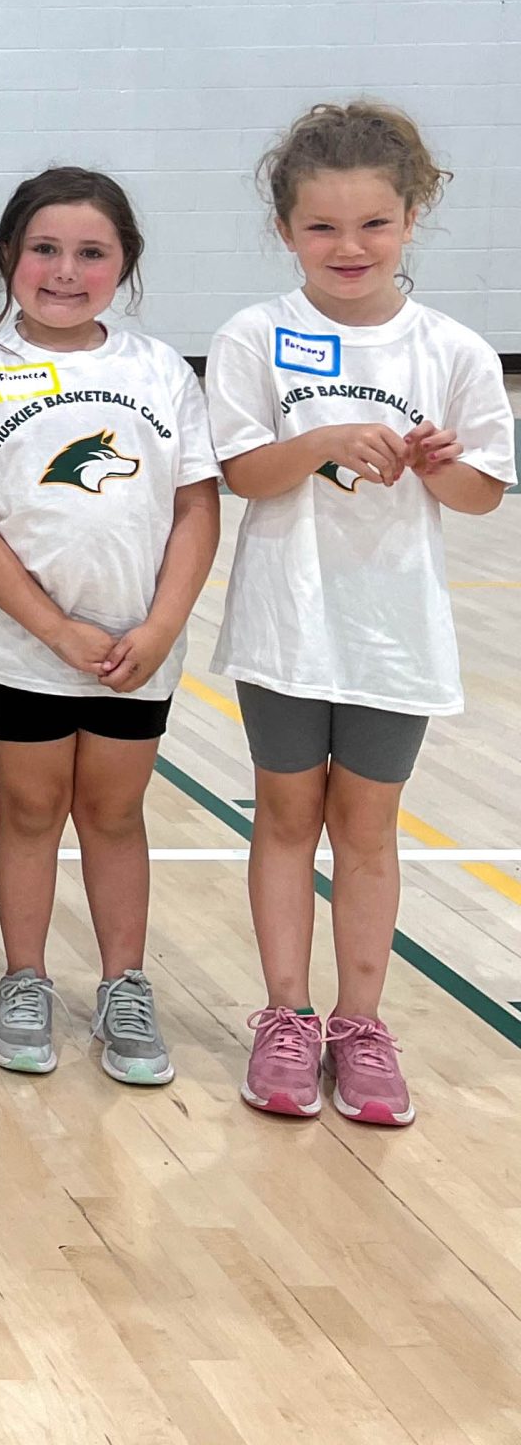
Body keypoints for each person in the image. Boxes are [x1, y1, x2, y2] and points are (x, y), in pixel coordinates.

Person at [209, 102, 512, 1126]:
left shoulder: (454, 351)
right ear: (286, 229)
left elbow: (481, 496)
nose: (349, 247)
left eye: (373, 224)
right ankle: (286, 1015)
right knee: (287, 820)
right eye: (322, 228)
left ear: (412, 217)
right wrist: (327, 438)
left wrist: (442, 467)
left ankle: (361, 1024)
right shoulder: (254, 336)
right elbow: (245, 473)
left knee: (368, 830)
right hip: (284, 627)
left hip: (392, 630)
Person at [0, 168, 218, 1085]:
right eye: (44, 249)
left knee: (114, 812)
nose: (64, 270)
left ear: (124, 264)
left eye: (91, 252)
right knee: (28, 809)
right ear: (7, 258)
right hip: (25, 650)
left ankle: (123, 984)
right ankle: (24, 979)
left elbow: (197, 506)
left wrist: (164, 625)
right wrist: (56, 631)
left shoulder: (162, 371)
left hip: (139, 652)